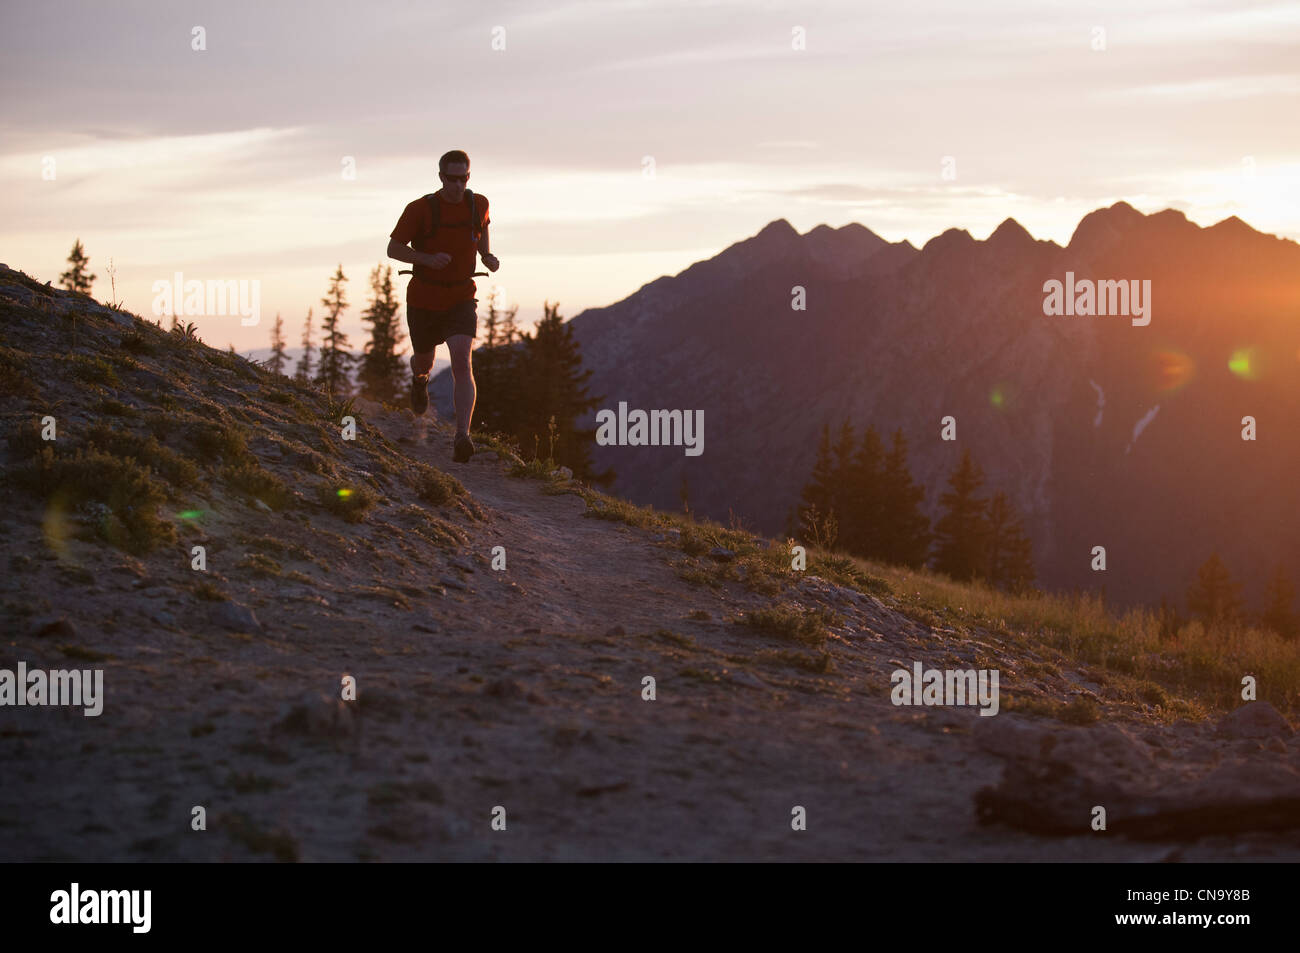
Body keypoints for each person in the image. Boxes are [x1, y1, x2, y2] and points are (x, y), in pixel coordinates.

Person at [387, 149, 499, 462]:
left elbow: (484, 228)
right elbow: (393, 248)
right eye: (452, 178)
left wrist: (487, 256)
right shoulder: (420, 209)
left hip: (461, 297)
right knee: (423, 361)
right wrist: (426, 259)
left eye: (463, 178)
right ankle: (419, 380)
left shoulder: (479, 204)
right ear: (441, 177)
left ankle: (462, 435)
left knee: (462, 361)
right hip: (423, 298)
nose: (458, 185)